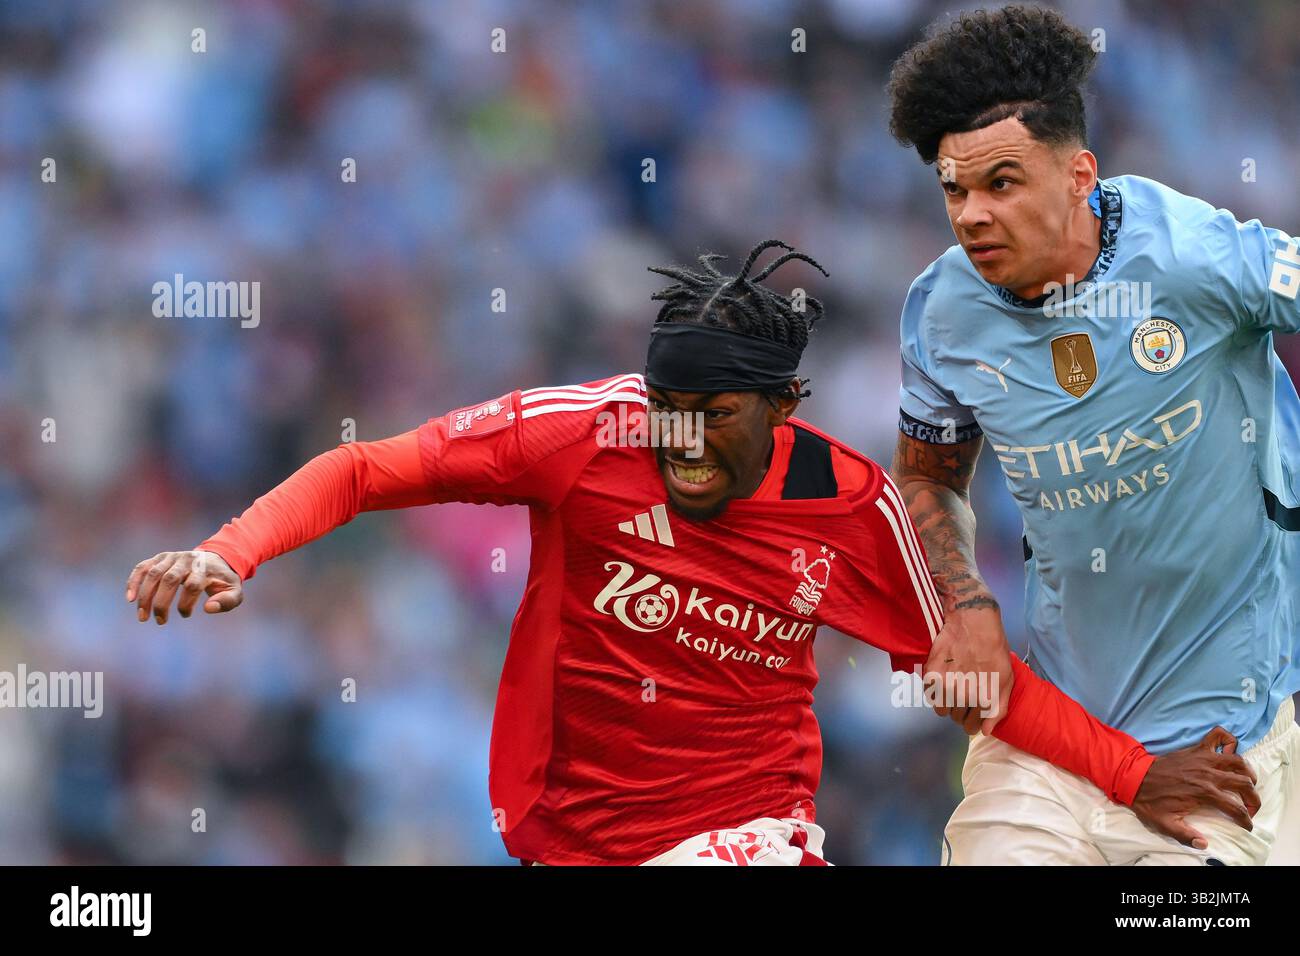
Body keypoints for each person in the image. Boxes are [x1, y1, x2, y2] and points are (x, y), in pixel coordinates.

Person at [126, 240, 1254, 865]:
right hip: (564, 832)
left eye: (714, 418)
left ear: (783, 408)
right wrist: (230, 551)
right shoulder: (580, 435)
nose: (683, 444)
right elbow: (365, 469)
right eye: (668, 413)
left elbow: (979, 685)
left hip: (747, 830)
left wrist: (1133, 773)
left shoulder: (852, 509)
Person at [886, 4, 1299, 864]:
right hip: (1055, 740)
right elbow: (928, 476)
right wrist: (967, 604)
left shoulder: (1194, 257)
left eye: (1002, 184)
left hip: (1227, 749)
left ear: (1079, 176)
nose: (971, 215)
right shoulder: (943, 312)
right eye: (954, 190)